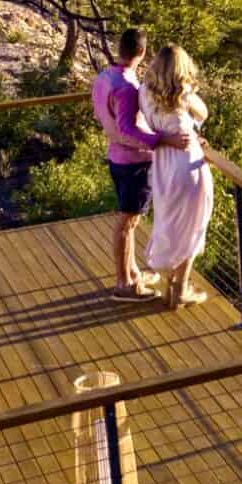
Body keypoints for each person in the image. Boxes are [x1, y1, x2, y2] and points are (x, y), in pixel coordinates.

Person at [90, 28, 186, 302]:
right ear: (142, 52)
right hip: (133, 163)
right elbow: (126, 129)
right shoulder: (127, 88)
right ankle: (123, 284)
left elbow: (108, 120)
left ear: (120, 48)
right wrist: (163, 139)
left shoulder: (104, 78)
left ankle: (131, 273)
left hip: (117, 158)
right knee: (127, 223)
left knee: (128, 222)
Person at [139, 44, 215, 308]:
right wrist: (189, 93)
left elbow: (148, 127)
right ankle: (180, 289)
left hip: (162, 163)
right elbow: (203, 112)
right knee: (194, 225)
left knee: (170, 222)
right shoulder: (184, 95)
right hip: (189, 164)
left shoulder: (144, 92)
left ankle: (172, 284)